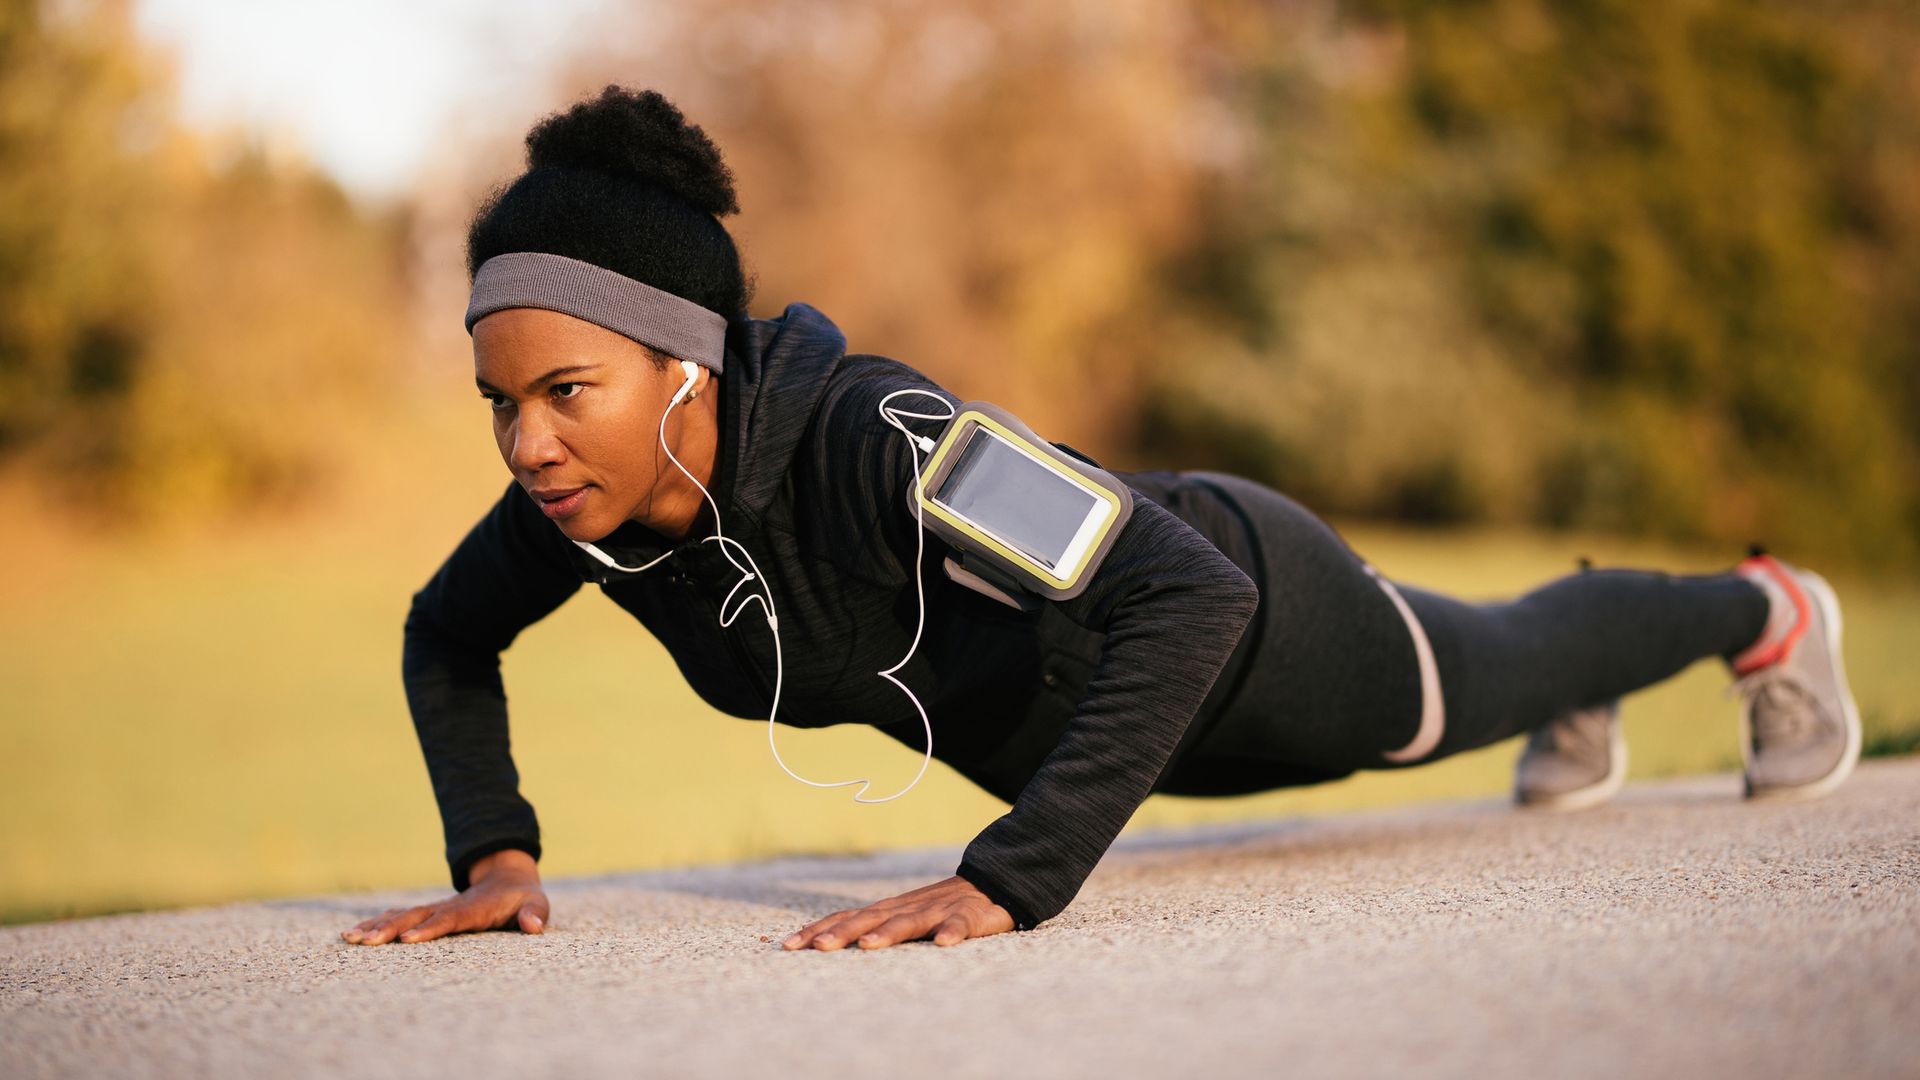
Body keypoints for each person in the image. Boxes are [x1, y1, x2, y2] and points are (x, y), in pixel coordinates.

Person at [340, 86, 1862, 951]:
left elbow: (1185, 595)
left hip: (1259, 616)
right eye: (501, 402)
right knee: (1511, 672)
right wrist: (499, 859)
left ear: (685, 362)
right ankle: (1589, 665)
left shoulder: (886, 440)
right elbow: (443, 637)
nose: (526, 443)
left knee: (1492, 672)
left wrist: (1014, 876)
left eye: (567, 391)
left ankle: (1768, 612)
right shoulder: (585, 514)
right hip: (1127, 743)